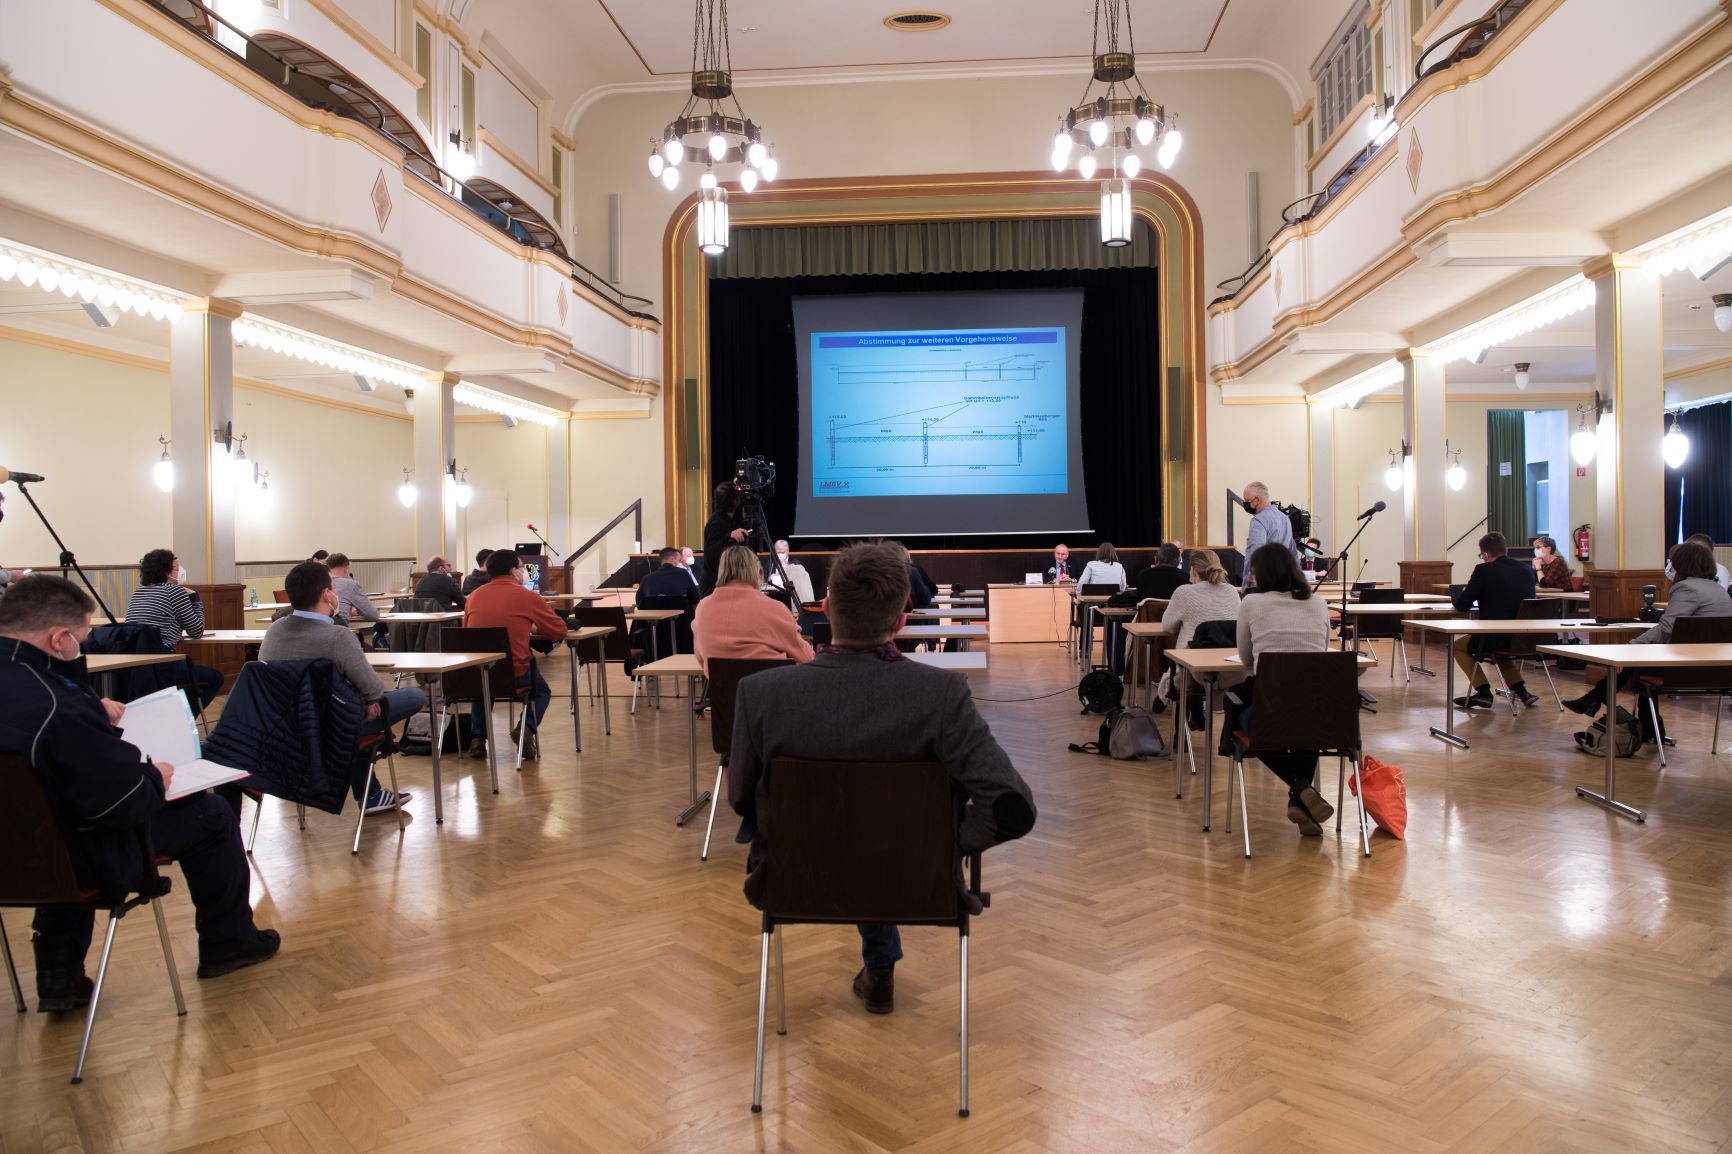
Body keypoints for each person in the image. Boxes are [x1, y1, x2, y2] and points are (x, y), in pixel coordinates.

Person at [728, 542, 1036, 1014]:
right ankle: (881, 962)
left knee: (858, 834)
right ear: (899, 621)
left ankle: (879, 960)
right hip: (914, 877)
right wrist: (945, 842)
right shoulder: (941, 695)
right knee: (876, 837)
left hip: (794, 877)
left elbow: (742, 800)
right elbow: (1013, 807)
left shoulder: (760, 695)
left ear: (826, 609)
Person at [0, 575, 279, 1008]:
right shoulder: (60, 707)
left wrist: (84, 702)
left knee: (52, 823)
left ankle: (59, 973)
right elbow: (123, 802)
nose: (83, 650)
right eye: (82, 641)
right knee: (212, 814)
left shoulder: (56, 700)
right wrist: (157, 775)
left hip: (16, 856)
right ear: (58, 639)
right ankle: (230, 943)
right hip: (77, 858)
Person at [259, 562, 422, 812]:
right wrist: (368, 701)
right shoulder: (337, 636)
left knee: (354, 711)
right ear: (327, 594)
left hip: (286, 728)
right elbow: (373, 688)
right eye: (334, 587)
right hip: (333, 726)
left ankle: (371, 792)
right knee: (412, 696)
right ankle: (369, 794)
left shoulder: (274, 631)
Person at [1563, 540, 1732, 732]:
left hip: (1683, 670)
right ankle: (1640, 722)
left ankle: (1606, 706)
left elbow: (1666, 628)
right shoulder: (1719, 590)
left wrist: (1630, 646)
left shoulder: (1686, 588)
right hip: (1719, 668)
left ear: (1681, 564)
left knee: (1634, 663)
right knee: (1637, 664)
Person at [1233, 543, 1334, 836]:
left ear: (1261, 573)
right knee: (1307, 730)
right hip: (1321, 715)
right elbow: (1322, 650)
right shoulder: (1318, 603)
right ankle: (1301, 799)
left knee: (1241, 720)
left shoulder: (1252, 603)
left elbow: (1245, 657)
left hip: (1270, 710)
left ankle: (1300, 788)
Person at [464, 547, 569, 760]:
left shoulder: (473, 597)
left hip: (479, 673)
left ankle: (478, 738)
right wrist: (532, 627)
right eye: (522, 568)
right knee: (542, 692)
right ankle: (526, 728)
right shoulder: (526, 596)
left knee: (482, 686)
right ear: (513, 571)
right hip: (515, 673)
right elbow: (559, 630)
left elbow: (468, 631)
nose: (523, 572)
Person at [125, 548, 223, 714]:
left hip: (135, 667)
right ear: (167, 572)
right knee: (215, 678)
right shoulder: (175, 592)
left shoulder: (139, 592)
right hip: (162, 665)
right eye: (177, 568)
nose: (180, 572)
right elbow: (197, 630)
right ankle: (183, 719)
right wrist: (195, 598)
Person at [1450, 531, 1540, 710]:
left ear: (1484, 554)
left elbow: (1462, 604)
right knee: (1499, 647)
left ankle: (1483, 692)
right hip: (1523, 637)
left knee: (1458, 647)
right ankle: (1522, 692)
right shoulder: (1527, 570)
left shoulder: (1483, 570)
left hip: (1495, 635)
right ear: (1506, 549)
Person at [693, 545, 814, 670]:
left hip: (721, 687)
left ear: (720, 571)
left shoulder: (702, 609)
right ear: (758, 572)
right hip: (768, 686)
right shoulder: (774, 609)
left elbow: (701, 659)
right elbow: (806, 657)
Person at [1160, 548, 1242, 730]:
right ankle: (1196, 708)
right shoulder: (1231, 592)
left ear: (1194, 571)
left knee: (1185, 653)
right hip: (1230, 672)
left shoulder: (1184, 592)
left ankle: (1192, 709)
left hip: (1192, 673)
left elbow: (1167, 627)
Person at [1240, 482, 1296, 588]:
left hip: (1261, 583)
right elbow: (1291, 551)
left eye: (1247, 500)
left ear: (1257, 499)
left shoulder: (1258, 520)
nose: (1245, 504)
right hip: (1281, 580)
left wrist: (1247, 585)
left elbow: (1255, 553)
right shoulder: (1285, 518)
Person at [324, 552, 384, 649]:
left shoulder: (319, 582)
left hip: (316, 634)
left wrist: (349, 611)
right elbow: (373, 614)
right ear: (346, 568)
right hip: (339, 636)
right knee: (369, 650)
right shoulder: (350, 584)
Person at [701, 483, 750, 597]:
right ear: (735, 501)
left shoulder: (730, 520)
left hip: (720, 582)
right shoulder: (718, 522)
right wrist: (729, 536)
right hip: (714, 585)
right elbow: (711, 553)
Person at [765, 540, 816, 606]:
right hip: (774, 595)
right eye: (778, 552)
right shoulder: (770, 565)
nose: (780, 554)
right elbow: (764, 581)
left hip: (790, 595)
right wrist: (769, 578)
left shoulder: (796, 563)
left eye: (783, 552)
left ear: (788, 551)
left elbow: (801, 582)